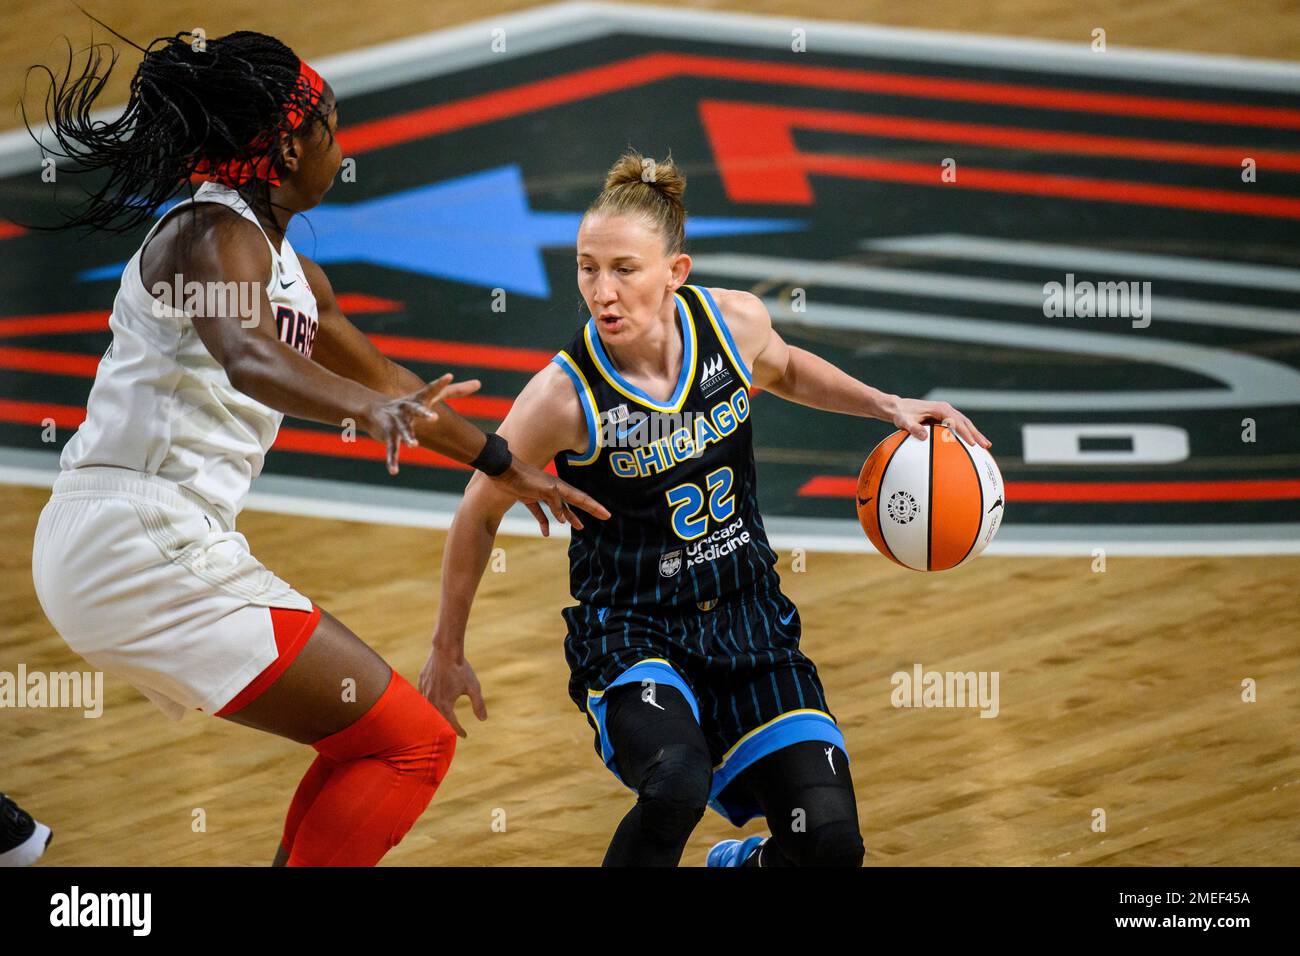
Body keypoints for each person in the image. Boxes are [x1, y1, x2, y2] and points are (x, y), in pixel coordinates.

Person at [26, 28, 607, 866]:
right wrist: (366, 411)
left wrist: (504, 464)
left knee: (366, 744)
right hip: (138, 537)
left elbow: (396, 385)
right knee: (413, 745)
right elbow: (250, 355)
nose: (342, 147)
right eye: (331, 127)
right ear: (289, 144)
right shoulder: (206, 231)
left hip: (142, 544)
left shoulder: (288, 265)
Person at [420, 150, 991, 866]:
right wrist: (448, 648)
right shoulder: (562, 397)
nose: (602, 291)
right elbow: (478, 510)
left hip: (750, 618)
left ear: (675, 273)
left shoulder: (733, 325)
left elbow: (784, 368)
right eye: (586, 268)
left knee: (832, 846)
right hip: (632, 632)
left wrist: (887, 405)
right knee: (675, 786)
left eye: (624, 269)